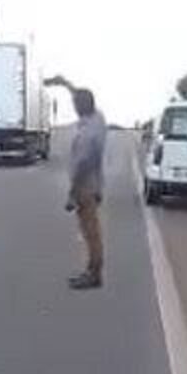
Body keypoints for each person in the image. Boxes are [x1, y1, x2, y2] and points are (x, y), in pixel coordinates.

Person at [63, 87, 107, 289]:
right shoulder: (98, 120)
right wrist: (65, 84)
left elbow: (82, 164)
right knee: (91, 230)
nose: (74, 107)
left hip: (85, 186)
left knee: (90, 231)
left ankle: (94, 273)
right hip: (95, 183)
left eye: (75, 104)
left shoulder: (88, 133)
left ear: (81, 106)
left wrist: (72, 193)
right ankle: (91, 270)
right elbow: (84, 97)